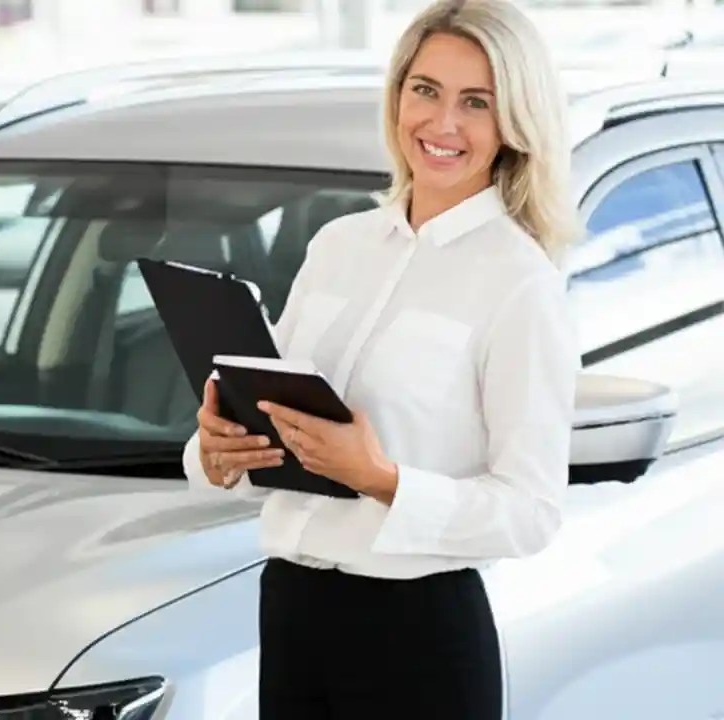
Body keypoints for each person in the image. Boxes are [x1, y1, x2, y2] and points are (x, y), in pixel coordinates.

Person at [181, 0, 583, 717]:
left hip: (417, 637)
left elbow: (532, 512)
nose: (443, 123)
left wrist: (379, 477)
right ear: (398, 93)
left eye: (477, 102)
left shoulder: (521, 284)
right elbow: (275, 416)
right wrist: (217, 452)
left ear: (514, 123)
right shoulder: (340, 244)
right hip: (293, 611)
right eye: (425, 89)